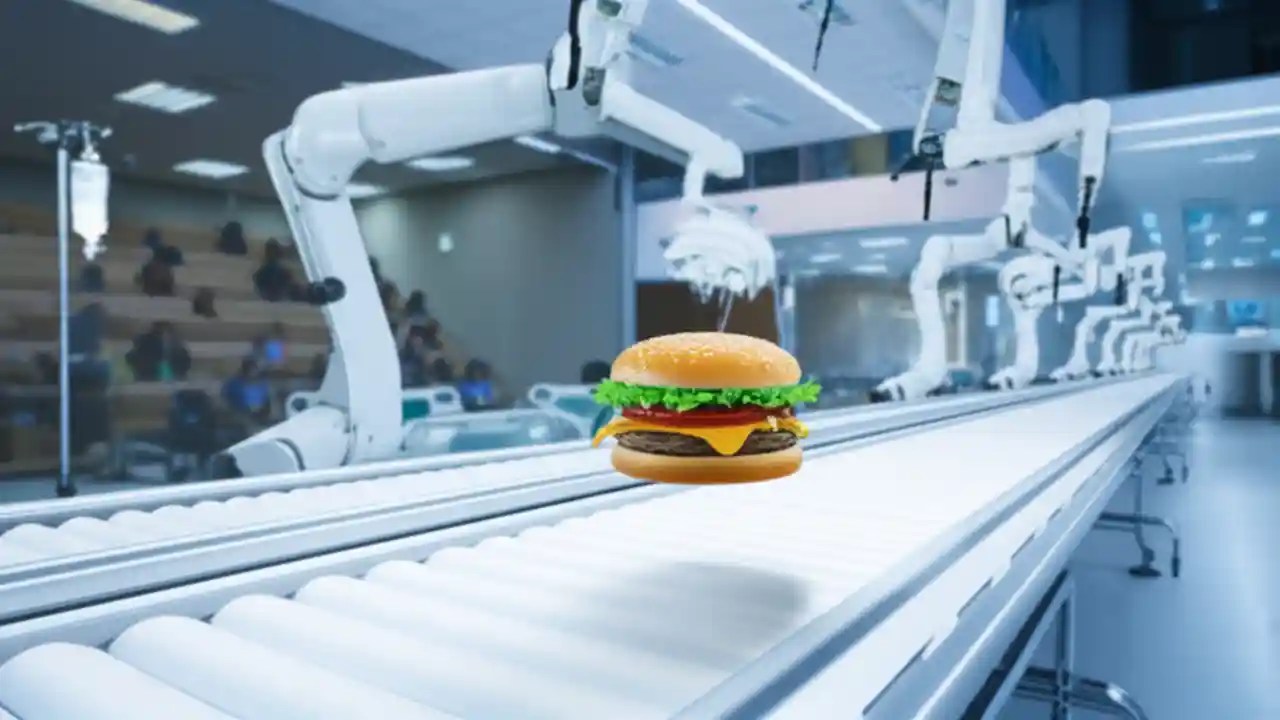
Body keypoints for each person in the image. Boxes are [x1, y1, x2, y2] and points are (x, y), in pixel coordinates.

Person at [126, 322, 192, 382]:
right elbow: (132, 358)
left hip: (171, 377)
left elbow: (185, 363)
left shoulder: (176, 343)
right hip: (148, 377)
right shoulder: (144, 341)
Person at [222, 358, 272, 427]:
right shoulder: (234, 384)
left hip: (261, 415)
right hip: (241, 415)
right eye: (250, 369)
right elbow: (227, 400)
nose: (253, 372)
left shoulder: (262, 384)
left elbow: (267, 399)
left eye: (255, 369)